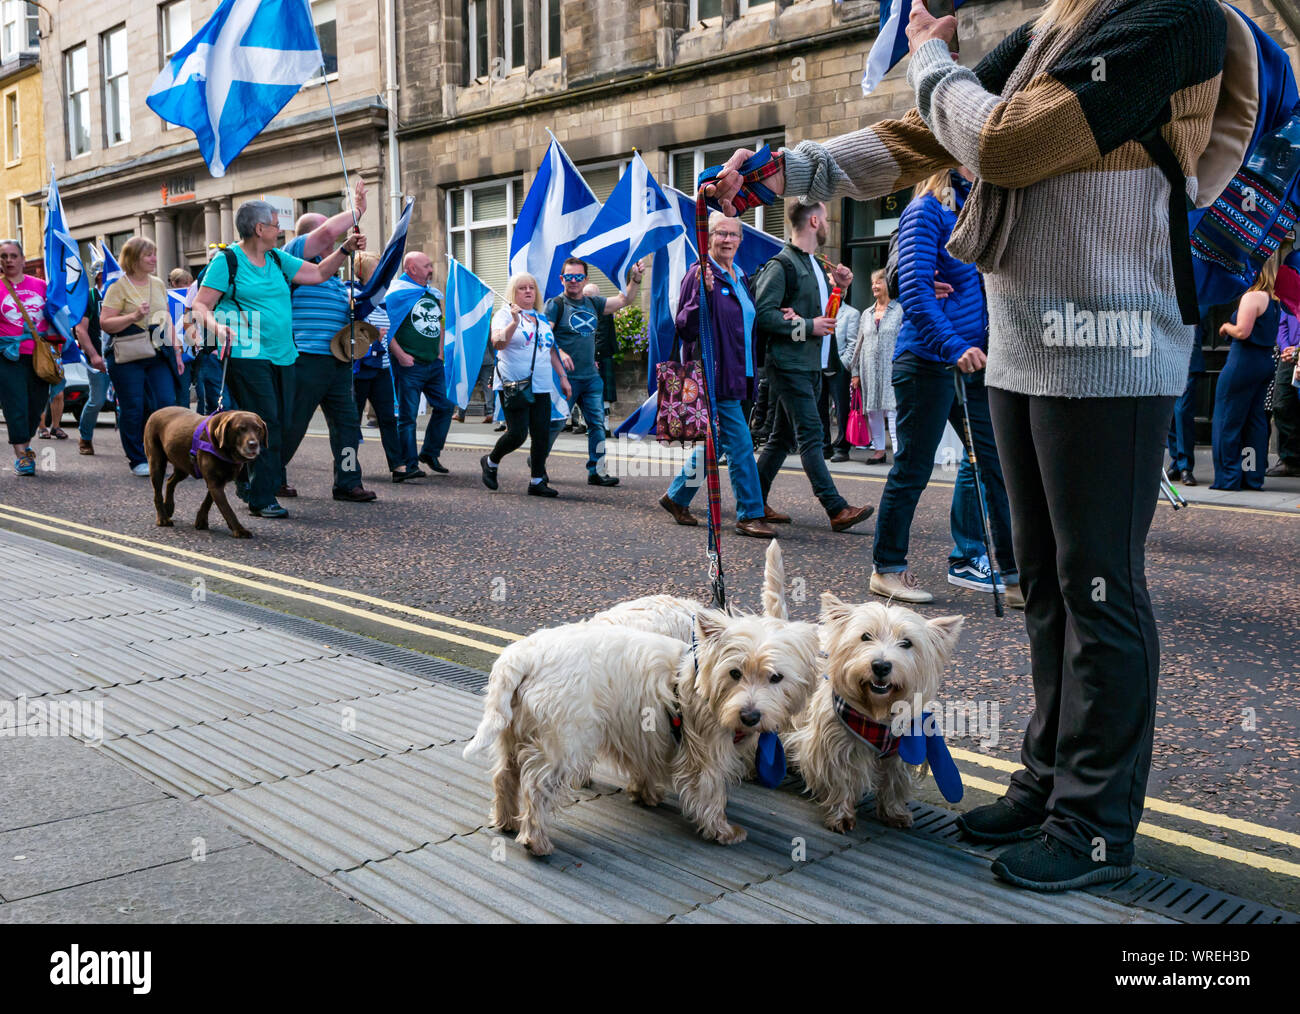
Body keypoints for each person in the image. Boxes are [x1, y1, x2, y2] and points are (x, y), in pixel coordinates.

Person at [708, 0, 1227, 890]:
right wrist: (793, 168)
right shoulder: (1056, 25)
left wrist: (931, 57)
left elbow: (1007, 144)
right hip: (1023, 340)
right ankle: (1047, 784)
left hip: (1111, 343)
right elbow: (926, 135)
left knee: (1098, 586)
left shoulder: (1170, 16)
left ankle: (1095, 826)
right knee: (1045, 582)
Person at [865, 169, 1019, 604]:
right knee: (913, 467)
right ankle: (887, 568)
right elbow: (912, 289)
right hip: (928, 360)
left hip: (972, 360)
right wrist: (953, 345)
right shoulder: (925, 209)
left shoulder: (979, 208)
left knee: (993, 464)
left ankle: (1009, 573)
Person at [191, 199, 363, 519]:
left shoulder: (276, 258)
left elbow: (318, 273)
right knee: (267, 420)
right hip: (246, 352)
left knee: (280, 423)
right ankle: (262, 497)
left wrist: (345, 250)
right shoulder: (227, 261)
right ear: (259, 229)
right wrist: (216, 326)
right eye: (274, 224)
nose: (279, 230)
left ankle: (245, 479)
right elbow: (201, 305)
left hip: (284, 353)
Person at [751, 202, 874, 533]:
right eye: (825, 218)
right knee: (812, 435)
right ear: (815, 221)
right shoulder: (782, 265)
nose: (828, 225)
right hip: (788, 365)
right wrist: (806, 326)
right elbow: (764, 315)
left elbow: (827, 317)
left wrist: (841, 288)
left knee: (781, 438)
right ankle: (835, 508)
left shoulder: (817, 265)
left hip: (812, 365)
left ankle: (754, 500)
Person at [658, 212, 776, 539]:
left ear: (741, 239)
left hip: (741, 373)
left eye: (733, 234)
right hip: (714, 375)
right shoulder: (699, 274)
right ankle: (750, 513)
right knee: (740, 445)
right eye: (720, 233)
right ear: (708, 237)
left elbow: (747, 324)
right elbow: (685, 327)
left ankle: (677, 496)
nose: (727, 239)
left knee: (718, 442)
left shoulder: (739, 275)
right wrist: (705, 295)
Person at [280, 182, 378, 504]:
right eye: (329, 235)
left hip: (337, 362)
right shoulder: (292, 257)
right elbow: (323, 237)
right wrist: (356, 211)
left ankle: (348, 481)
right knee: (293, 424)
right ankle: (270, 476)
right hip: (306, 359)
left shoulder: (336, 281)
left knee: (347, 425)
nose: (334, 240)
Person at [544, 257, 644, 486]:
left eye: (578, 277)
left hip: (590, 378)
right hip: (564, 379)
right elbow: (546, 337)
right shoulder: (556, 304)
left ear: (585, 279)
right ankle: (539, 462)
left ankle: (596, 472)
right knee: (556, 423)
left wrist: (636, 278)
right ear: (562, 279)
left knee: (597, 425)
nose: (574, 281)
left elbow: (624, 299)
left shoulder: (594, 303)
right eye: (569, 277)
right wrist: (561, 352)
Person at [99, 237, 185, 476]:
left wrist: (176, 350)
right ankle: (137, 458)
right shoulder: (118, 286)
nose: (154, 259)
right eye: (148, 255)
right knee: (134, 407)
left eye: (154, 254)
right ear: (133, 258)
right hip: (128, 355)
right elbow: (105, 323)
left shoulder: (157, 283)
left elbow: (167, 318)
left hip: (159, 352)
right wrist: (133, 315)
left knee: (166, 404)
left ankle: (166, 452)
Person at [481, 272, 570, 496]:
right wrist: (514, 322)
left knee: (541, 434)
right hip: (513, 384)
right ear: (513, 292)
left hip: (541, 384)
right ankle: (491, 462)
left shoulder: (541, 318)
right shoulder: (503, 315)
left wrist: (562, 376)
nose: (528, 291)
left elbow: (549, 349)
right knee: (518, 434)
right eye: (522, 288)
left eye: (531, 287)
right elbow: (498, 344)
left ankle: (537, 481)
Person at [1212, 256, 1280, 491]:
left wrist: (1225, 327)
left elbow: (1242, 331)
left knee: (1227, 420)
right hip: (1264, 363)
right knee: (1254, 422)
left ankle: (1228, 477)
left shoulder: (1251, 297)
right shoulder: (1273, 301)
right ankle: (1251, 475)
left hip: (1243, 363)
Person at [352, 251, 418, 483]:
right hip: (358, 370)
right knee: (351, 422)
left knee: (388, 418)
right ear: (363, 274)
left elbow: (387, 334)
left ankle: (398, 466)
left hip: (381, 368)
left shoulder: (381, 301)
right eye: (376, 272)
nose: (381, 276)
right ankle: (348, 468)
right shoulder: (354, 298)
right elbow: (346, 334)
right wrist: (368, 335)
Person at [388, 250, 454, 476]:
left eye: (430, 265)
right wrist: (400, 355)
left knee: (445, 407)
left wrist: (439, 352)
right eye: (426, 266)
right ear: (411, 269)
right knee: (408, 416)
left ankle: (430, 452)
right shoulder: (397, 293)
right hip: (410, 365)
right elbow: (384, 328)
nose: (431, 270)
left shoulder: (430, 293)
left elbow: (439, 321)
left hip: (433, 364)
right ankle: (410, 464)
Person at [0, 239, 52, 476]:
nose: (8, 260)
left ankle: (25, 441)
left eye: (12, 255)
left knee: (36, 405)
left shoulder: (41, 285)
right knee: (15, 404)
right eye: (3, 256)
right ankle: (22, 456)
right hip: (8, 356)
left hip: (39, 355)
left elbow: (56, 316)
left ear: (22, 259)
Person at [846, 268, 902, 466]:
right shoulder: (866, 314)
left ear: (889, 284)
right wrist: (855, 373)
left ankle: (898, 452)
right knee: (873, 412)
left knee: (893, 411)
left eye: (878, 282)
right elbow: (858, 345)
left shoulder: (900, 311)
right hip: (868, 371)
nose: (874, 286)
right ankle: (879, 451)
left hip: (891, 369)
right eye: (872, 283)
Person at [1166, 322, 1206, 485]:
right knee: (1169, 415)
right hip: (1165, 359)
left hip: (1188, 360)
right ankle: (1176, 462)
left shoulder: (1196, 297)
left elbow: (1194, 322)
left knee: (1182, 413)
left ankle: (1185, 466)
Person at [75, 264, 108, 455]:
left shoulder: (119, 292)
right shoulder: (91, 296)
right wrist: (94, 356)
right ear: (99, 275)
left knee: (131, 401)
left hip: (121, 356)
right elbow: (81, 329)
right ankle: (85, 438)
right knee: (97, 400)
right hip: (98, 358)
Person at [1268, 307, 1300, 477]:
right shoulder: (1289, 296)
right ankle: (1289, 460)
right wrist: (1286, 347)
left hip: (1296, 353)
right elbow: (1281, 325)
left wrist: (1297, 351)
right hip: (1287, 357)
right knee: (1282, 405)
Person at [588, 282, 619, 418]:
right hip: (597, 354)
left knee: (603, 391)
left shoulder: (602, 310)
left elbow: (600, 335)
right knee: (591, 390)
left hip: (601, 354)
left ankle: (604, 425)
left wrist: (595, 357)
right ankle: (586, 423)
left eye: (587, 296)